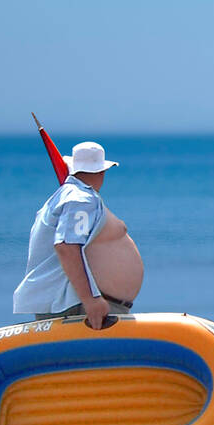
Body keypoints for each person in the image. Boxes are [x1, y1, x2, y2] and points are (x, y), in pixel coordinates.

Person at [13, 141, 144, 329]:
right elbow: (66, 246)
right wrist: (90, 300)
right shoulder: (81, 199)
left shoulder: (67, 196)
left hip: (78, 304)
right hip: (79, 307)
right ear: (101, 172)